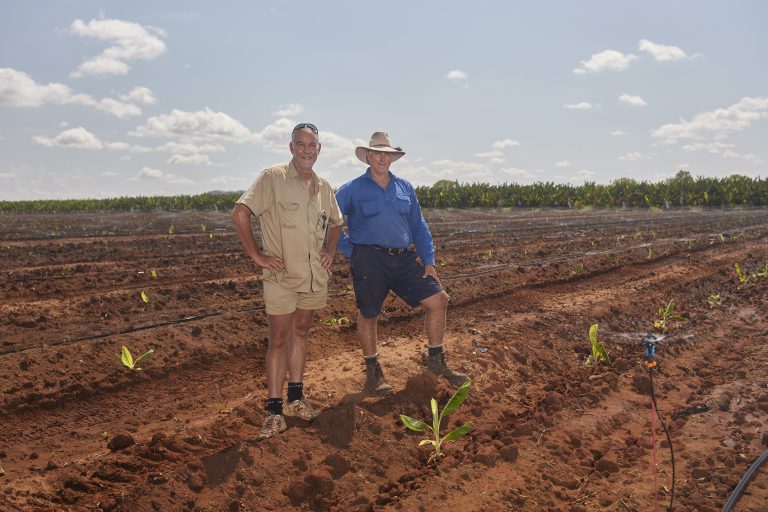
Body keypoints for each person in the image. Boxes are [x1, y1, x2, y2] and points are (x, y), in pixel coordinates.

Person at [231, 122, 342, 438]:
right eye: (301, 144)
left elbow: (336, 223)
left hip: (311, 277)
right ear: (291, 147)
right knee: (278, 339)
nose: (307, 150)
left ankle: (296, 398)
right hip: (281, 275)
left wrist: (330, 251)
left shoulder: (323, 188)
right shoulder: (272, 178)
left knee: (301, 332)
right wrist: (258, 257)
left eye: (312, 145)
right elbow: (240, 214)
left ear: (319, 150)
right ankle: (274, 409)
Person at [335, 131, 467, 396]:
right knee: (369, 314)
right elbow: (331, 223)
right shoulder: (351, 189)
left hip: (403, 258)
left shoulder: (405, 188)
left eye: (387, 153)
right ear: (368, 156)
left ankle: (436, 362)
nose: (382, 158)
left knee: (438, 300)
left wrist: (428, 259)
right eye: (377, 153)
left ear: (392, 158)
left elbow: (418, 225)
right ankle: (373, 375)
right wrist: (351, 250)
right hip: (369, 259)